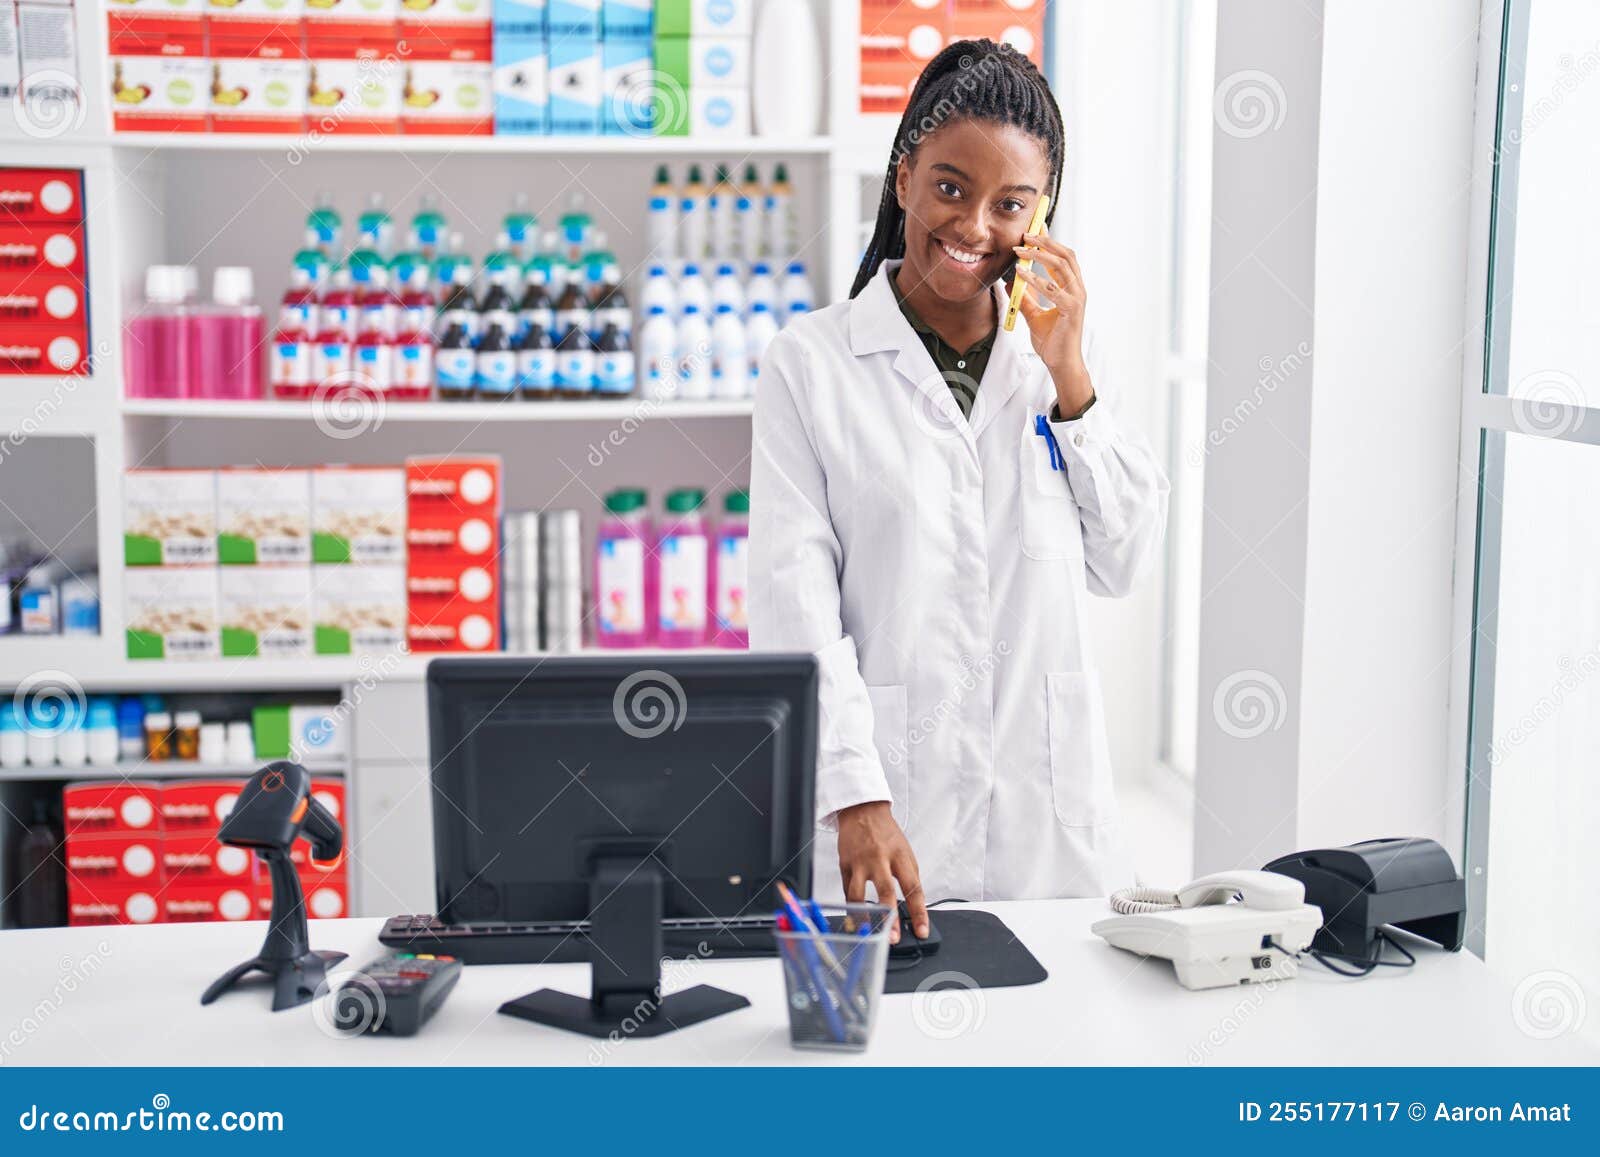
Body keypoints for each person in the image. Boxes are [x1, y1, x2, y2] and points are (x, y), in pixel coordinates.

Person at [749, 39, 1169, 941]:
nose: (975, 225)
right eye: (949, 187)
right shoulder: (811, 366)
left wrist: (1068, 375)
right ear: (903, 179)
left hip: (1052, 843)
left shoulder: (1061, 359)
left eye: (1009, 204)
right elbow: (794, 608)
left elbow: (1125, 558)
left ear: (1041, 217)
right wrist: (855, 793)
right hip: (889, 822)